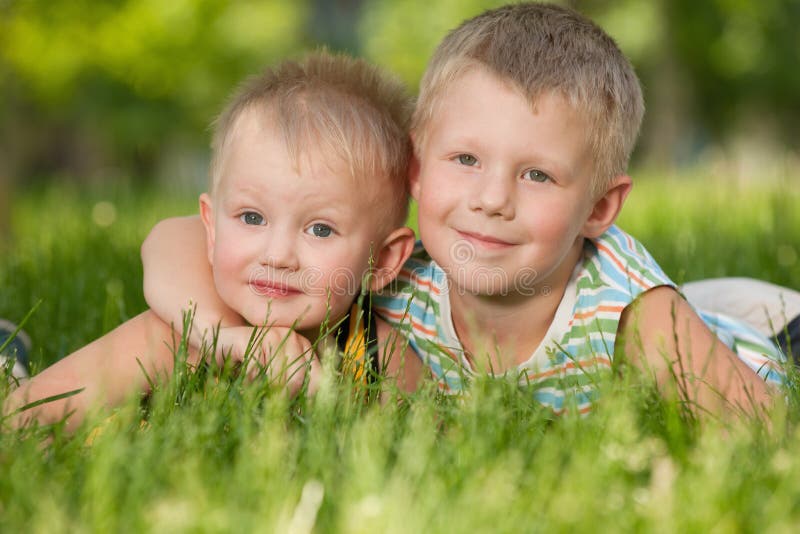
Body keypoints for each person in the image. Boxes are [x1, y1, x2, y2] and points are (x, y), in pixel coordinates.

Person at [142, 3, 788, 419]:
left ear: (599, 208)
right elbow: (174, 239)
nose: (491, 199)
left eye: (536, 174)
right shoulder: (395, 277)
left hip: (754, 350)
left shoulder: (639, 322)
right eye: (465, 161)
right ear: (417, 168)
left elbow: (765, 442)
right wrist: (218, 337)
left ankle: (751, 311)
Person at [3, 51, 417, 431]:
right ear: (211, 227)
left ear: (381, 260)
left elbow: (428, 443)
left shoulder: (379, 354)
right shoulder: (173, 339)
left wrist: (326, 400)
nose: (277, 255)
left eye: (321, 229)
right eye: (252, 218)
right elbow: (23, 420)